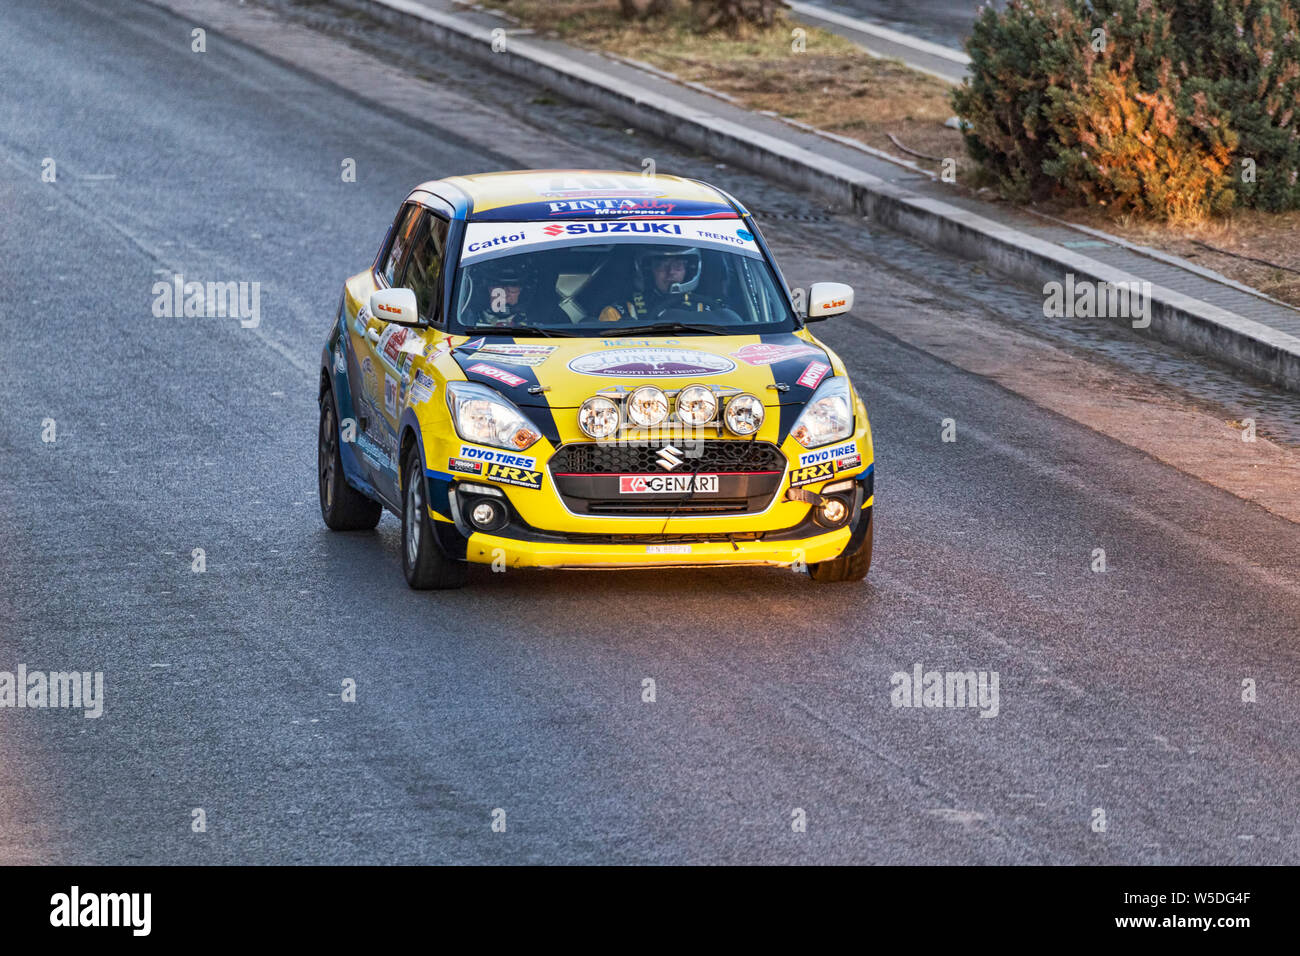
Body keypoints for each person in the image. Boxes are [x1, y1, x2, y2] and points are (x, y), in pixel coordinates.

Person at [597, 247, 721, 323]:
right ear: (648, 271)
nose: (671, 272)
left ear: (689, 270)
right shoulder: (619, 313)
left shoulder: (710, 311)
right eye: (662, 266)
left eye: (678, 266)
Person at [474, 262, 533, 327]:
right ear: (486, 290)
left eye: (513, 286)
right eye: (497, 285)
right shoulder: (466, 320)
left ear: (522, 291)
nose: (504, 294)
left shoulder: (535, 325)